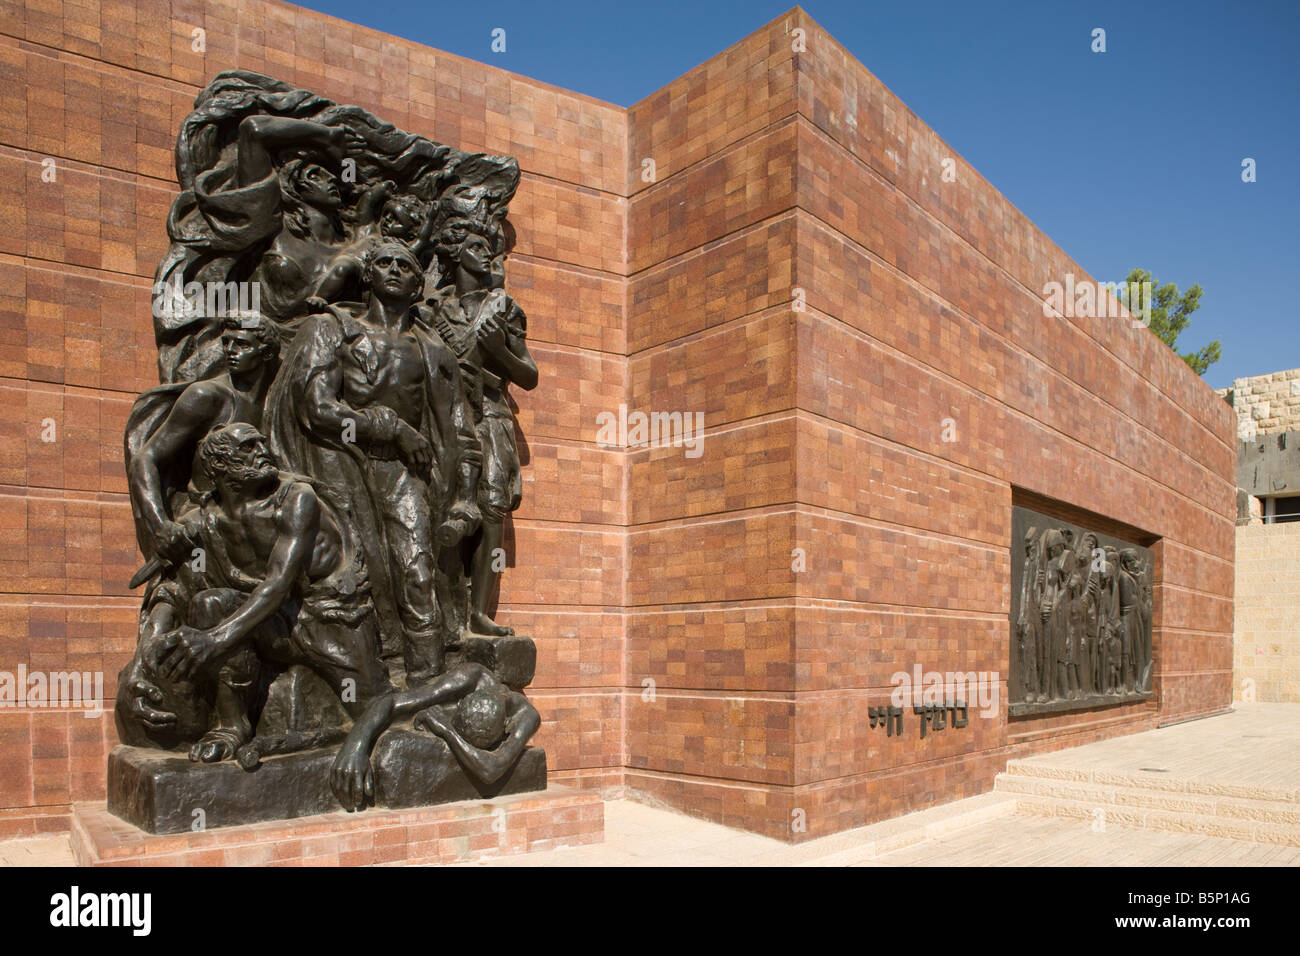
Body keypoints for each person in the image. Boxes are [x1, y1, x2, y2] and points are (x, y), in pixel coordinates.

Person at [265, 241, 482, 683]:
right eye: (383, 262)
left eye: (405, 265)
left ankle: (427, 683)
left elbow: (460, 427)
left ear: (418, 283)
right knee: (361, 578)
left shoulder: (432, 349)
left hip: (405, 472)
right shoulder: (330, 329)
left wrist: (464, 495)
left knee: (416, 571)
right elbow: (314, 405)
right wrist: (388, 426)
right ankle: (373, 686)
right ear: (367, 274)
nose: (394, 270)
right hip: (338, 465)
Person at [149, 423, 391, 773]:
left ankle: (458, 687)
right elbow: (176, 586)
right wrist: (153, 642)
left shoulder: (296, 499)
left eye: (261, 443)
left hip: (331, 619)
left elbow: (278, 583)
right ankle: (232, 726)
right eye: (247, 447)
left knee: (373, 706)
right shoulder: (207, 518)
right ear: (219, 467)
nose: (262, 451)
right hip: (275, 622)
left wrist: (214, 640)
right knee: (209, 603)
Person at [427, 223, 538, 637]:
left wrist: (498, 352)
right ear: (455, 253)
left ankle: (479, 612)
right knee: (446, 507)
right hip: (445, 419)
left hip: (490, 417)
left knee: (493, 510)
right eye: (475, 246)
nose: (487, 254)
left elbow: (529, 376)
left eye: (490, 248)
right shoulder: (433, 310)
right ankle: (441, 609)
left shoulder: (504, 307)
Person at [330, 661, 540, 811]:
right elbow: (392, 702)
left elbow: (491, 769)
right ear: (461, 702)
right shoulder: (469, 679)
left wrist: (446, 730)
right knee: (351, 687)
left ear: (505, 726)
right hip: (377, 685)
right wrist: (355, 745)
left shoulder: (526, 716)